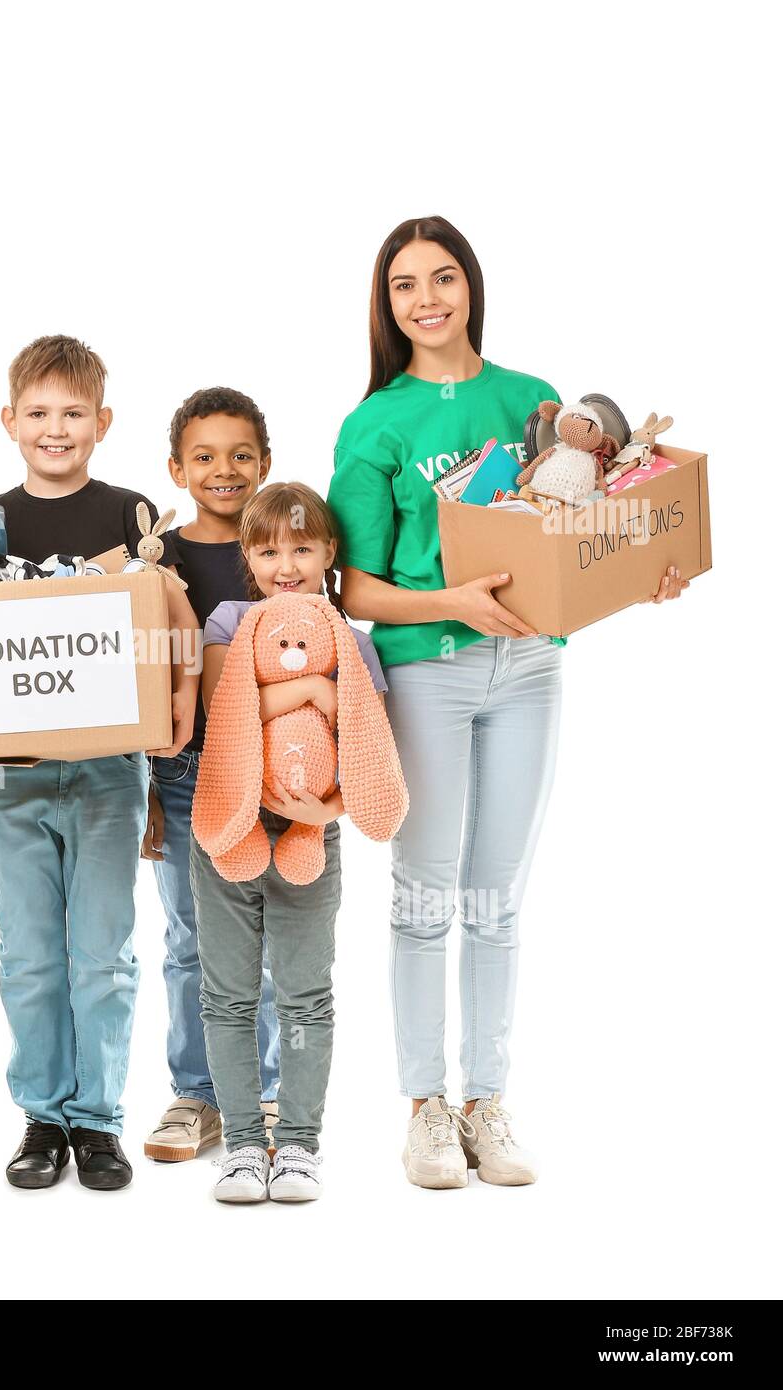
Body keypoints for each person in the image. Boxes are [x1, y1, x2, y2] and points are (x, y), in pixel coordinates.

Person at [327, 215, 686, 1189]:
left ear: (470, 286)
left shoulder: (530, 401)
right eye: (404, 285)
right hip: (428, 674)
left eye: (442, 277)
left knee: (495, 897)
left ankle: (487, 1100)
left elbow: (579, 537)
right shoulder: (376, 425)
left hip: (529, 669)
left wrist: (640, 569)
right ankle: (424, 1109)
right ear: (386, 304)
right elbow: (351, 588)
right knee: (424, 891)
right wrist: (448, 603)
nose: (426, 298)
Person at [0, 335, 198, 1192]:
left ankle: (98, 1119)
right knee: (31, 954)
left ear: (103, 422)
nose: (55, 428)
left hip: (111, 767)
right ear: (9, 421)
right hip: (16, 771)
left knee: (102, 952)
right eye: (38, 413)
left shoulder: (132, 516)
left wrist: (179, 704)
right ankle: (43, 1114)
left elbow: (171, 622)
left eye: (73, 413)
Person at [193, 483, 389, 1203]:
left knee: (306, 993)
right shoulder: (230, 620)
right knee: (228, 995)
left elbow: (369, 743)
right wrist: (314, 692)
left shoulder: (352, 641)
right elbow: (224, 707)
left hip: (310, 829)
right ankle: (244, 1143)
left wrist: (331, 805)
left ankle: (300, 1144)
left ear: (328, 552)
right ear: (248, 555)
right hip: (230, 821)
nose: (286, 563)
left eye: (303, 548)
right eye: (269, 548)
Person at [141, 387, 282, 1163]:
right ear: (176, 468)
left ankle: (258, 1093)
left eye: (240, 456)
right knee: (191, 937)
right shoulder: (159, 562)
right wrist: (144, 792)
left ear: (266, 462)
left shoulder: (288, 551)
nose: (223, 471)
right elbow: (134, 685)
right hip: (183, 771)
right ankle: (197, 1094)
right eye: (204, 457)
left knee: (262, 936)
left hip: (272, 763)